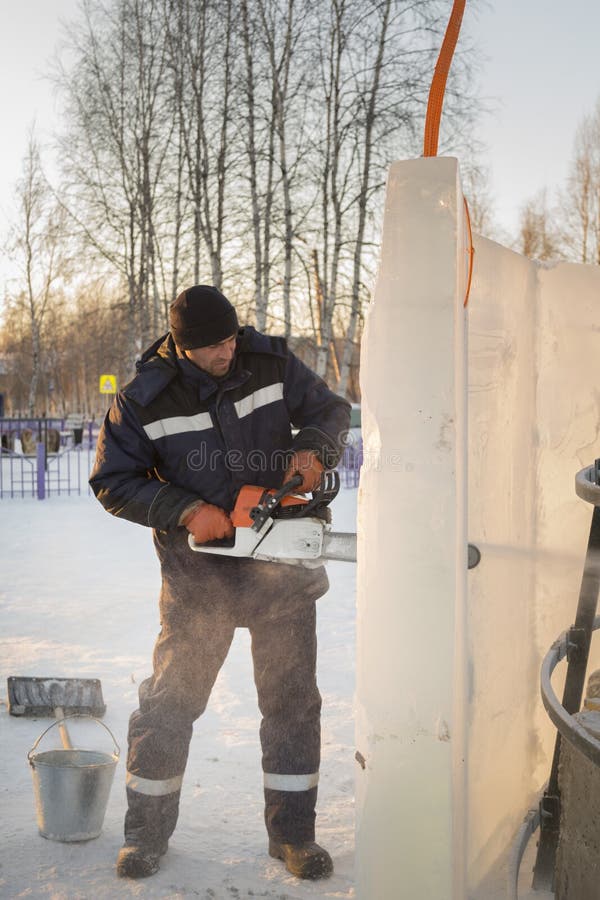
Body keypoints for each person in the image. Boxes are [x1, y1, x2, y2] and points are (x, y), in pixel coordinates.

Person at [89, 285, 350, 881]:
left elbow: (328, 410)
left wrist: (312, 450)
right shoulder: (142, 399)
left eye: (231, 338)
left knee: (291, 705)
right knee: (170, 705)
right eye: (211, 347)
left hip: (279, 575)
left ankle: (293, 836)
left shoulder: (270, 361)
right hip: (199, 579)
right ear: (181, 346)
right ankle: (145, 836)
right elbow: (112, 479)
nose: (226, 352)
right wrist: (182, 509)